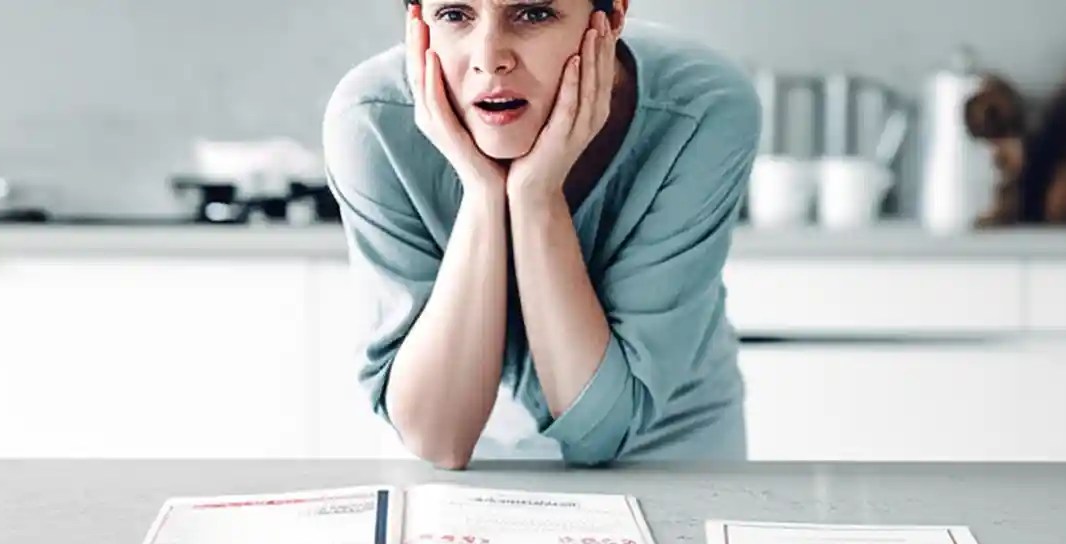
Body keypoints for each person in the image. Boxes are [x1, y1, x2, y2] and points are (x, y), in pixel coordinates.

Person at [321, 0, 760, 469]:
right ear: (418, 23)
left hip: (665, 446)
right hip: (471, 452)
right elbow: (439, 440)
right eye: (454, 14)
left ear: (612, 18)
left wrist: (536, 195)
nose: (489, 58)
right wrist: (482, 193)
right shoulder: (372, 118)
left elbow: (605, 430)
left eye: (533, 14)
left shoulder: (701, 108)